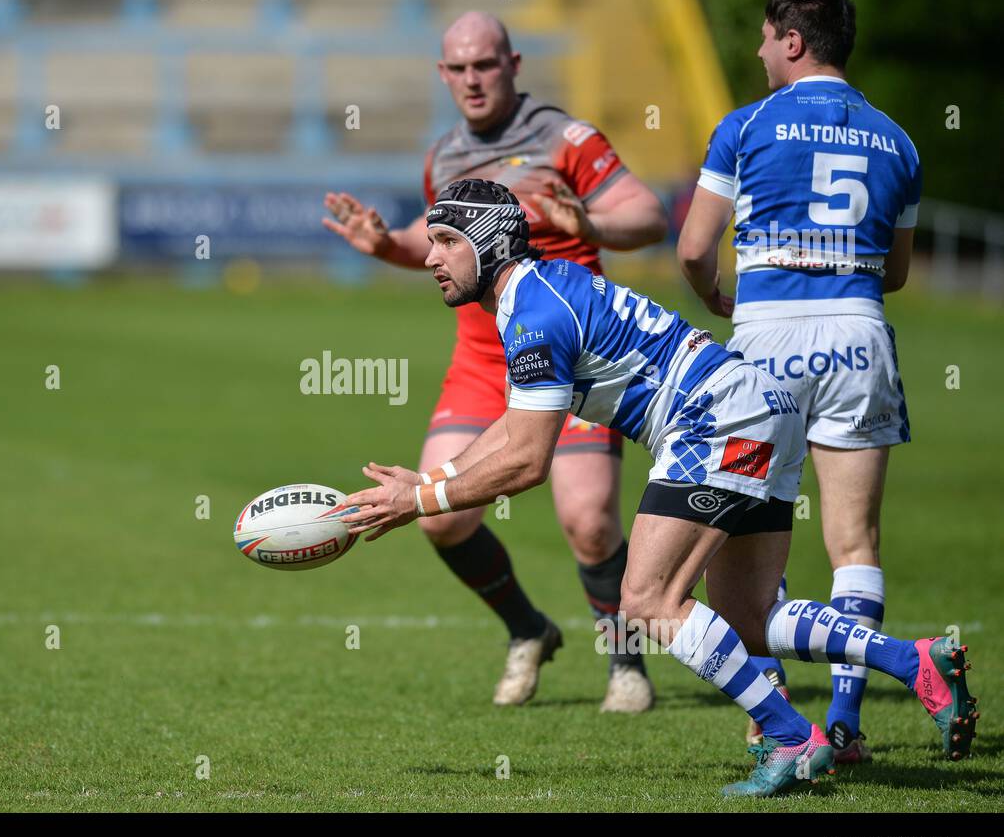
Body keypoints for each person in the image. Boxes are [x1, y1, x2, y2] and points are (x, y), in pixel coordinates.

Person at [340, 179, 976, 797]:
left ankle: (791, 736)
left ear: (488, 241)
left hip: (715, 418)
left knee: (645, 600)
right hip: (756, 406)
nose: (429, 258)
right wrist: (435, 478)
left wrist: (418, 502)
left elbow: (529, 462)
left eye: (446, 240)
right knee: (749, 620)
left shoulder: (533, 310)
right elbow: (516, 423)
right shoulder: (538, 293)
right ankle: (914, 661)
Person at [322, 11, 667, 711]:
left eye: (486, 64)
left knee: (591, 517)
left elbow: (649, 216)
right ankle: (528, 630)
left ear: (512, 64)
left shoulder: (566, 138)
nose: (473, 79)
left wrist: (592, 224)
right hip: (483, 361)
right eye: (459, 68)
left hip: (567, 355)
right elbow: (437, 236)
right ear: (443, 75)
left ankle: (625, 663)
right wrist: (387, 244)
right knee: (441, 518)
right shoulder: (444, 154)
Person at [676, 0, 921, 761]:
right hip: (859, 338)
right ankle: (846, 725)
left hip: (766, 346)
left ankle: (774, 701)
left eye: (762, 37)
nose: (755, 52)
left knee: (743, 531)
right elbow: (897, 272)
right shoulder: (899, 139)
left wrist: (713, 289)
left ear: (791, 41)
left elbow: (690, 246)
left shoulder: (745, 127)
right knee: (855, 544)